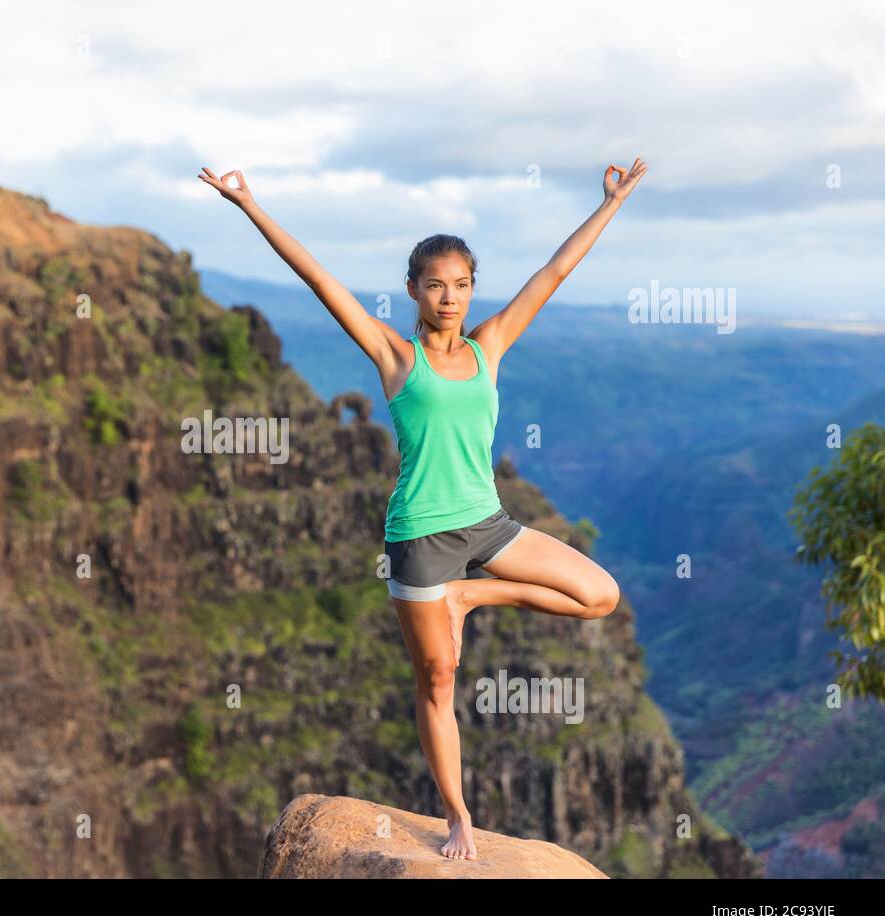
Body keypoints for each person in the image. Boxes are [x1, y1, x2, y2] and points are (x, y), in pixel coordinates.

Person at [199, 158, 645, 860]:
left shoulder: (490, 345)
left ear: (472, 290)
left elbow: (554, 274)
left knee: (599, 595)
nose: (450, 297)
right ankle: (458, 813)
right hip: (418, 538)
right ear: (413, 289)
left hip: (488, 525)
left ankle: (470, 596)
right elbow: (318, 280)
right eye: (436, 285)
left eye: (461, 285)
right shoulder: (395, 355)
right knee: (437, 681)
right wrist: (248, 204)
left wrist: (612, 203)